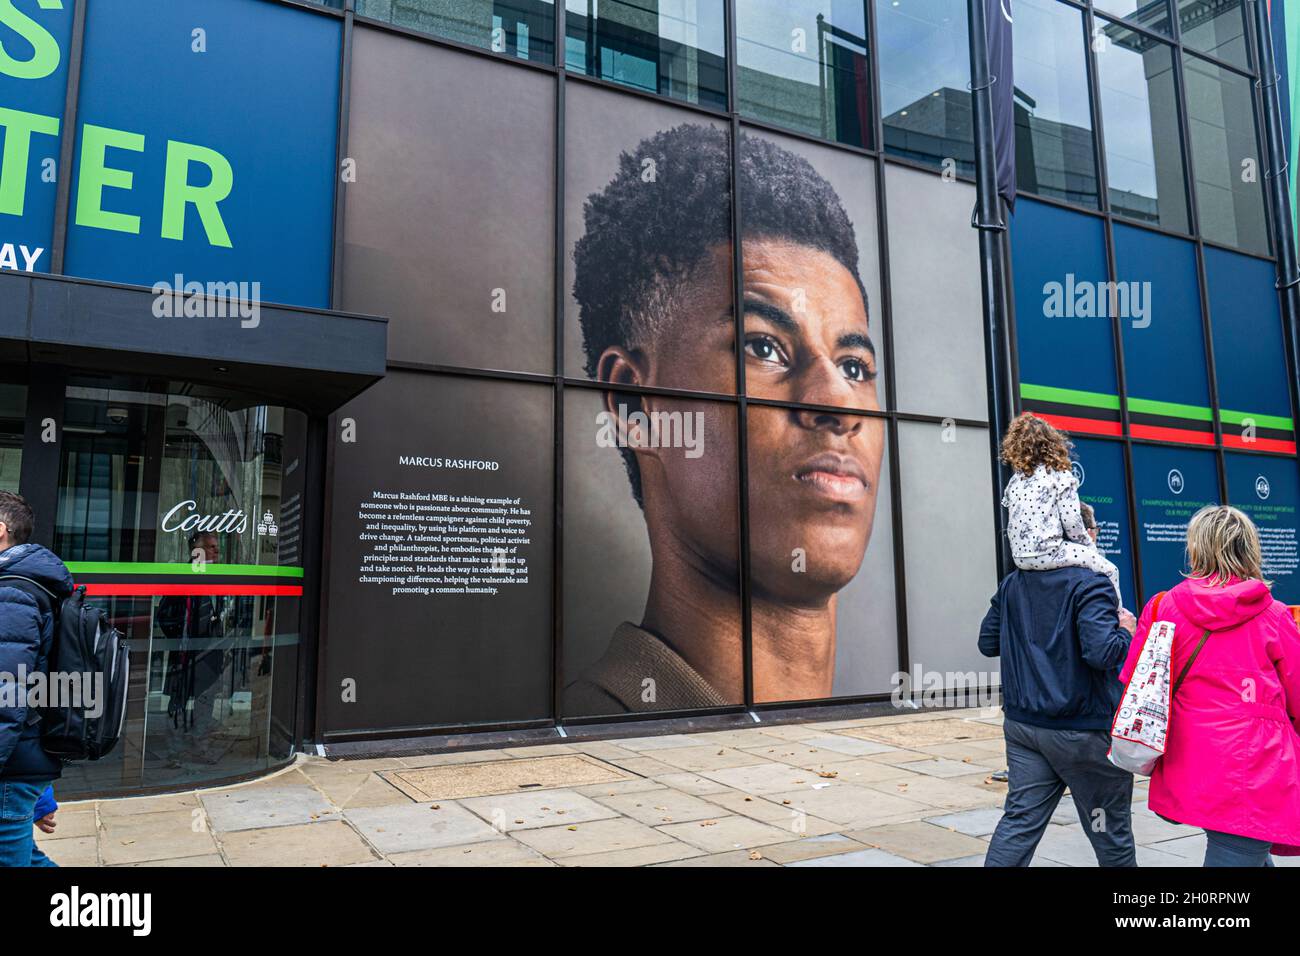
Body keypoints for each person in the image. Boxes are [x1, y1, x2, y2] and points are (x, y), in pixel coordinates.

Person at [568, 124, 883, 710]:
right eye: (763, 347)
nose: (838, 401)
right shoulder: (587, 762)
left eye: (855, 366)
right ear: (637, 407)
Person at [1119, 505, 1300, 867]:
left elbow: (1134, 680)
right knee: (1237, 850)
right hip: (1256, 767)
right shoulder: (1274, 616)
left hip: (1190, 760)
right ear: (1249, 549)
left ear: (1197, 549)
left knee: (1242, 847)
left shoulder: (1162, 607)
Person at [978, 504, 1139, 866]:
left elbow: (987, 643)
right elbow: (1103, 652)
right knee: (1109, 831)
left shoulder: (1014, 582)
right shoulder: (1091, 582)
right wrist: (1127, 631)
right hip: (1083, 732)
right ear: (1082, 534)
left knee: (1019, 823)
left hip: (1024, 728)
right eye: (1093, 528)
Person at [0, 491, 74, 867]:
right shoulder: (25, 583)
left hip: (10, 767)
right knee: (23, 856)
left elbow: (7, 693)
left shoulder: (11, 591)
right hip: (21, 760)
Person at [1001, 413, 1123, 606]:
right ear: (1051, 443)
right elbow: (1072, 522)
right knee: (1110, 570)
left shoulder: (1016, 481)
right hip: (1048, 552)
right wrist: (1090, 548)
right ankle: (1119, 618)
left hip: (1020, 559)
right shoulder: (1059, 475)